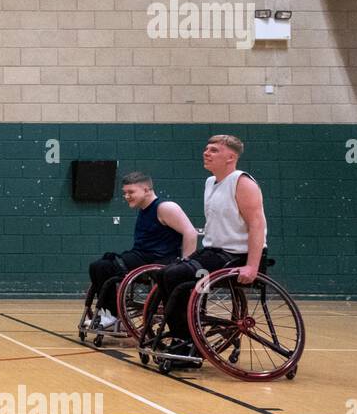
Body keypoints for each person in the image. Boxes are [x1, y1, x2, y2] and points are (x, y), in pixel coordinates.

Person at [155, 135, 268, 359]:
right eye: (206, 149)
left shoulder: (242, 182)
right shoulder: (210, 182)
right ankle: (182, 335)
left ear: (231, 157)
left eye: (214, 150)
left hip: (238, 257)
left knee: (176, 277)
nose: (206, 153)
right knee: (165, 274)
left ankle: (187, 341)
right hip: (214, 253)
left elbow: (257, 224)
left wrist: (252, 266)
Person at [87, 171, 196, 332]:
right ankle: (108, 312)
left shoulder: (165, 207)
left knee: (103, 267)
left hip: (158, 260)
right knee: (98, 265)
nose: (126, 196)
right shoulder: (144, 209)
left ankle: (113, 317)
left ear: (146, 190)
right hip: (141, 255)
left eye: (131, 192)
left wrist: (186, 264)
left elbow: (190, 233)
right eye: (125, 193)